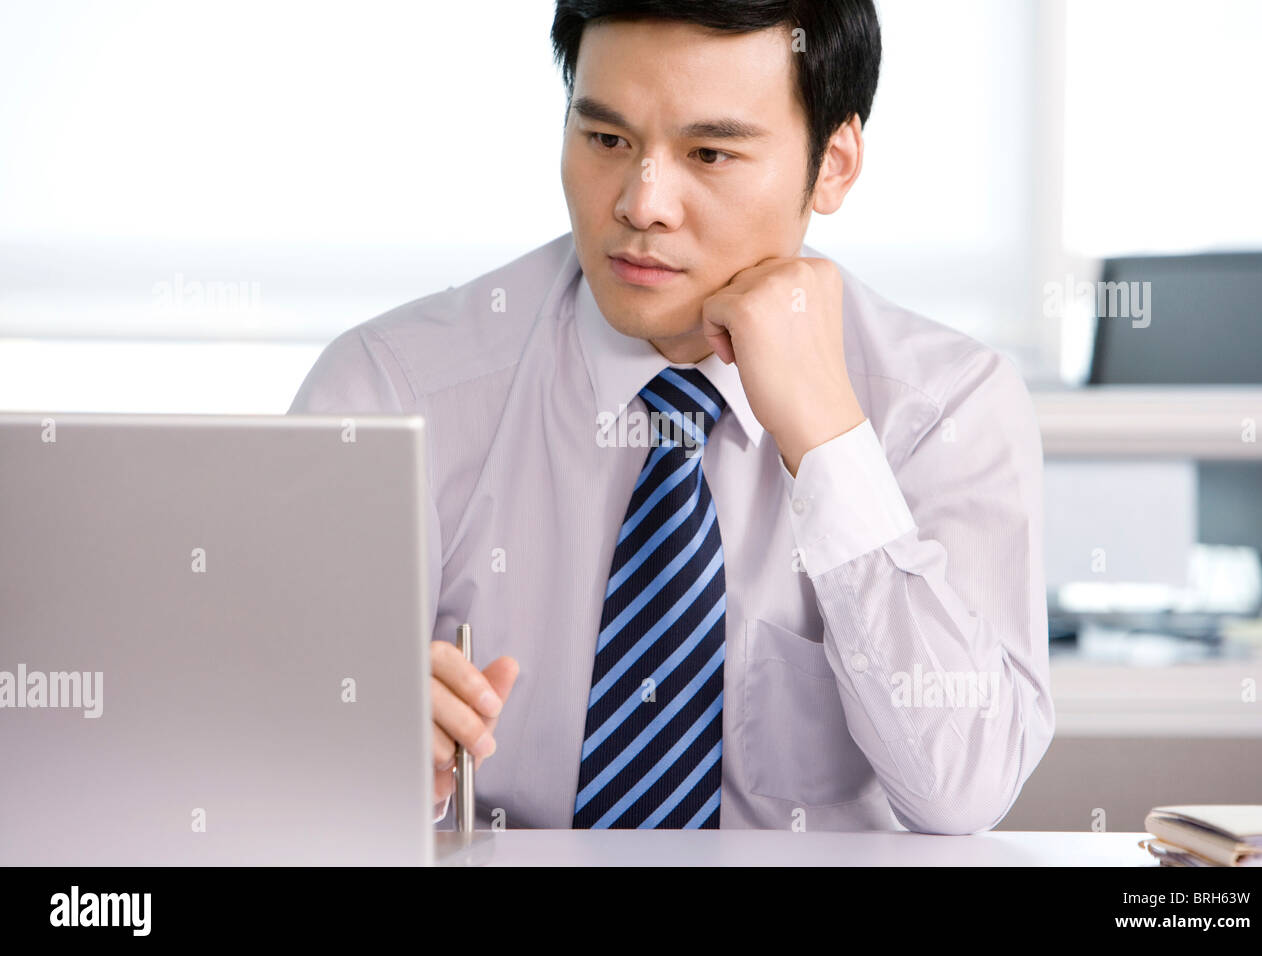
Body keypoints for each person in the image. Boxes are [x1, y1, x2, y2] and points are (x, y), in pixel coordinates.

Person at [289, 0, 1054, 833]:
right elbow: (256, 758)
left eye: (711, 152)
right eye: (606, 140)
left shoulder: (946, 406)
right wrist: (360, 754)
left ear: (833, 164)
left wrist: (830, 438)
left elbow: (965, 790)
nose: (642, 204)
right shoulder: (392, 391)